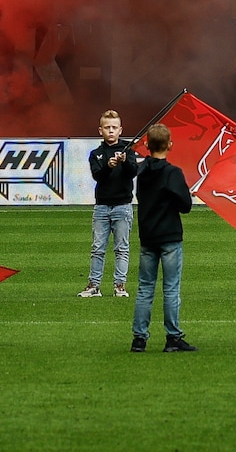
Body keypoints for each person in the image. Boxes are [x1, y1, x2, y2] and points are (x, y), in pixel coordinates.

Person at [132, 123, 196, 353]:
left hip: (148, 235)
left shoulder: (142, 172)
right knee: (170, 288)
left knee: (144, 289)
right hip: (169, 235)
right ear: (170, 145)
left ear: (147, 145)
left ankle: (139, 338)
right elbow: (185, 206)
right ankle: (173, 337)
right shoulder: (172, 173)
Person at [84, 109, 138, 298]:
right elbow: (97, 176)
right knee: (98, 248)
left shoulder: (128, 151)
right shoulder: (96, 154)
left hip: (123, 206)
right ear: (100, 131)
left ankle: (120, 286)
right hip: (101, 206)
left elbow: (133, 172)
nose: (111, 131)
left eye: (114, 127)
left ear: (120, 130)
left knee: (121, 248)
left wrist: (124, 162)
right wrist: (109, 166)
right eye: (107, 128)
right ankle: (93, 285)